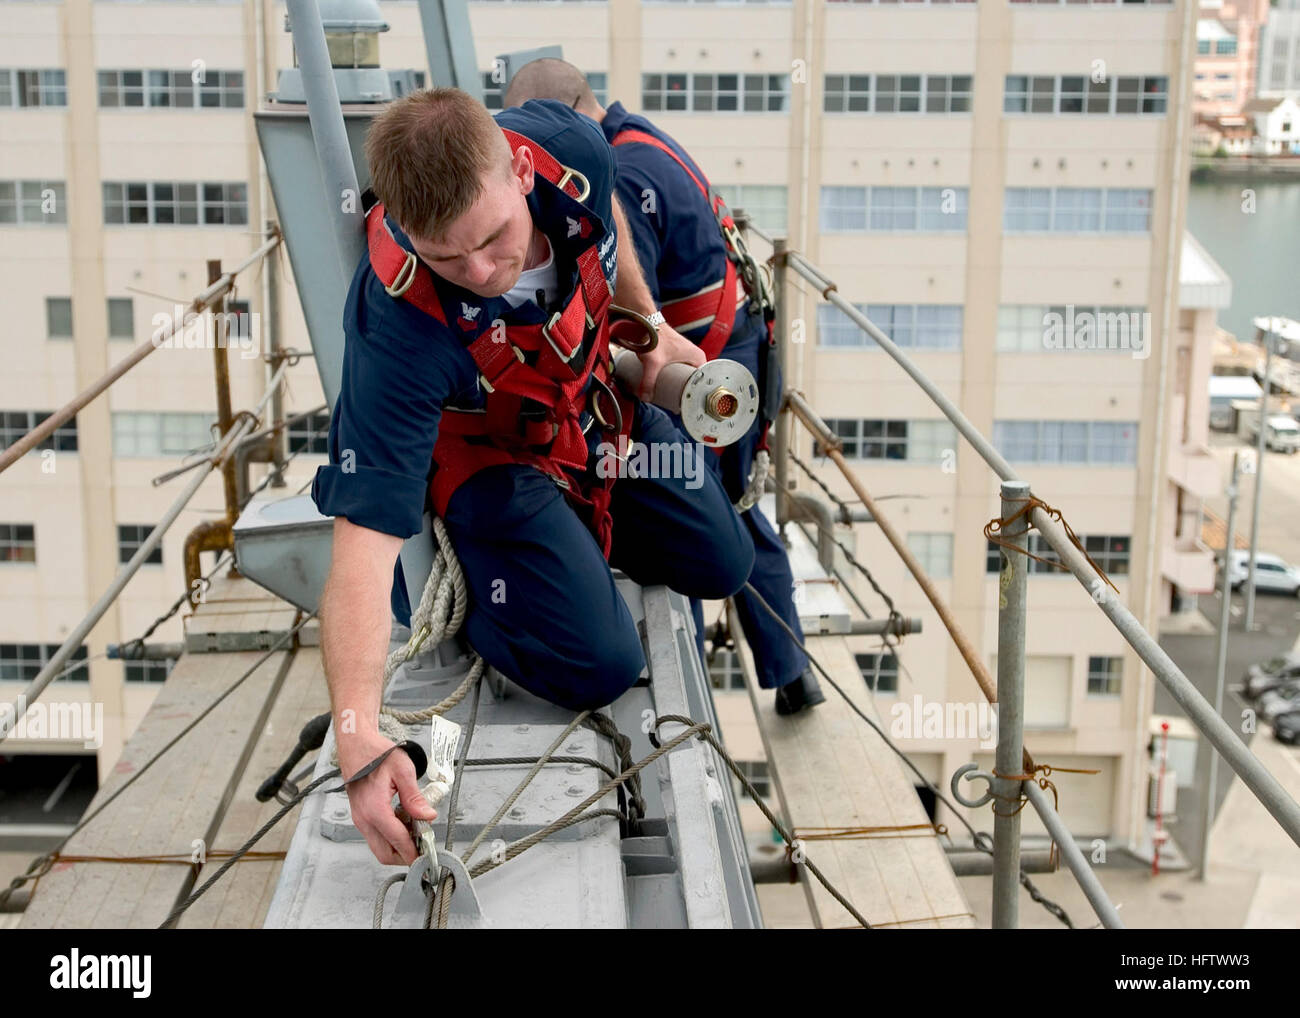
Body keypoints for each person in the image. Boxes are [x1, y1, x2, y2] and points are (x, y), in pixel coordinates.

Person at [310, 88, 755, 867]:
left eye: (494, 239)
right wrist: (357, 731)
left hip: (585, 398)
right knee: (601, 664)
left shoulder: (566, 148)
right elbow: (363, 544)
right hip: (490, 457)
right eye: (448, 256)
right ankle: (495, 588)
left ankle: (570, 543)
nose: (480, 271)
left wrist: (646, 327)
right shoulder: (400, 324)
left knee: (725, 562)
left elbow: (606, 217)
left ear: (520, 172)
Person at [503, 60, 825, 716]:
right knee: (730, 505)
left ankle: (787, 669)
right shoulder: (637, 137)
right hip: (731, 346)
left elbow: (622, 321)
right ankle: (788, 666)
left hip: (703, 371)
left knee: (723, 510)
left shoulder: (620, 176)